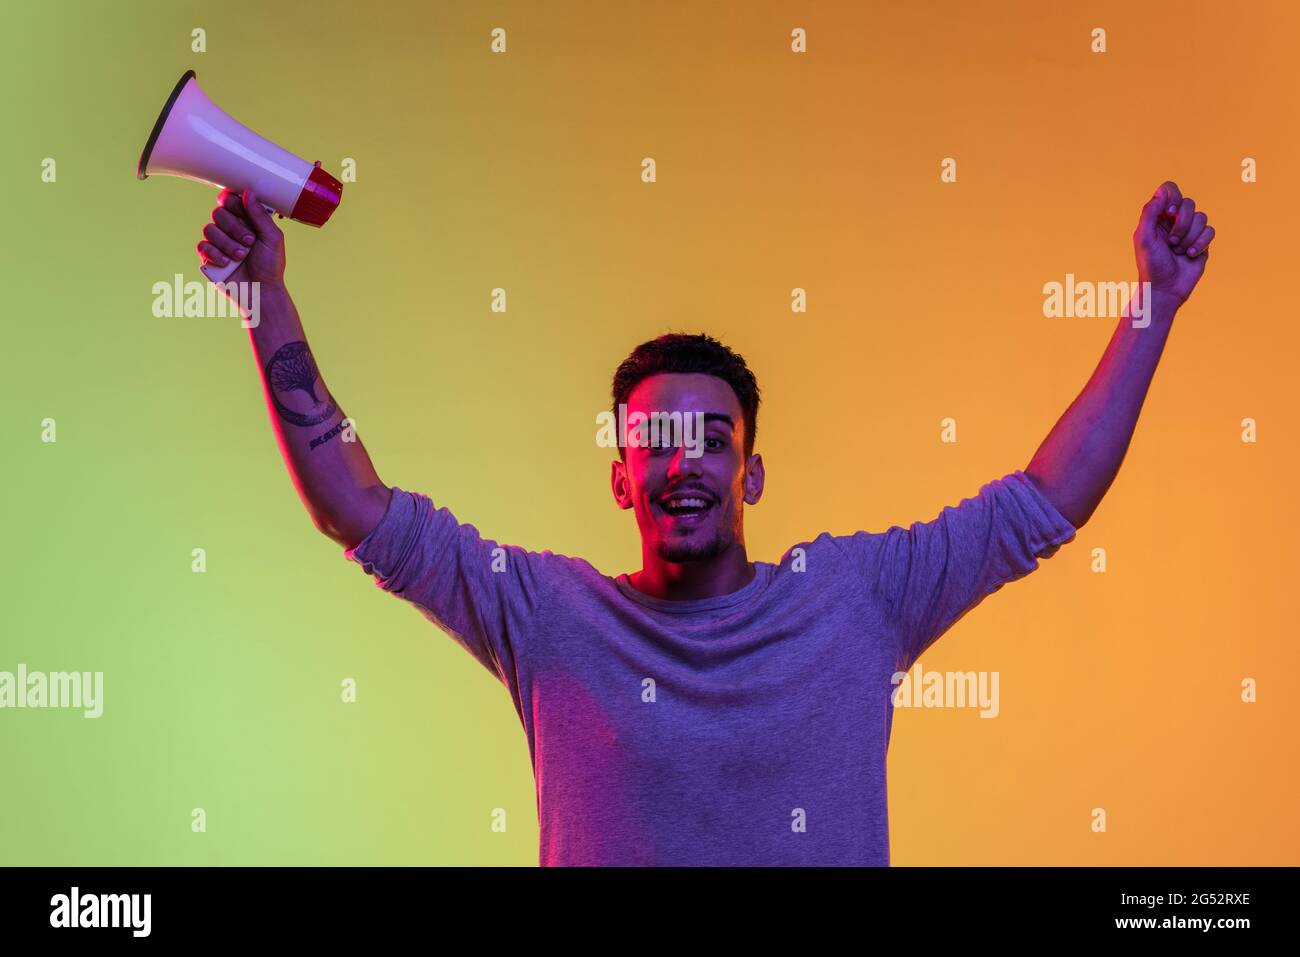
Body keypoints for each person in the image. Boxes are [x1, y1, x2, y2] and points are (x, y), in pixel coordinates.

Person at [195, 181, 1214, 865]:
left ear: (751, 473)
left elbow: (1044, 501)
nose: (685, 461)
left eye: (711, 439)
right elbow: (354, 507)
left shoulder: (858, 600)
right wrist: (263, 295)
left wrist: (1154, 305)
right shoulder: (547, 615)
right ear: (621, 480)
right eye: (658, 442)